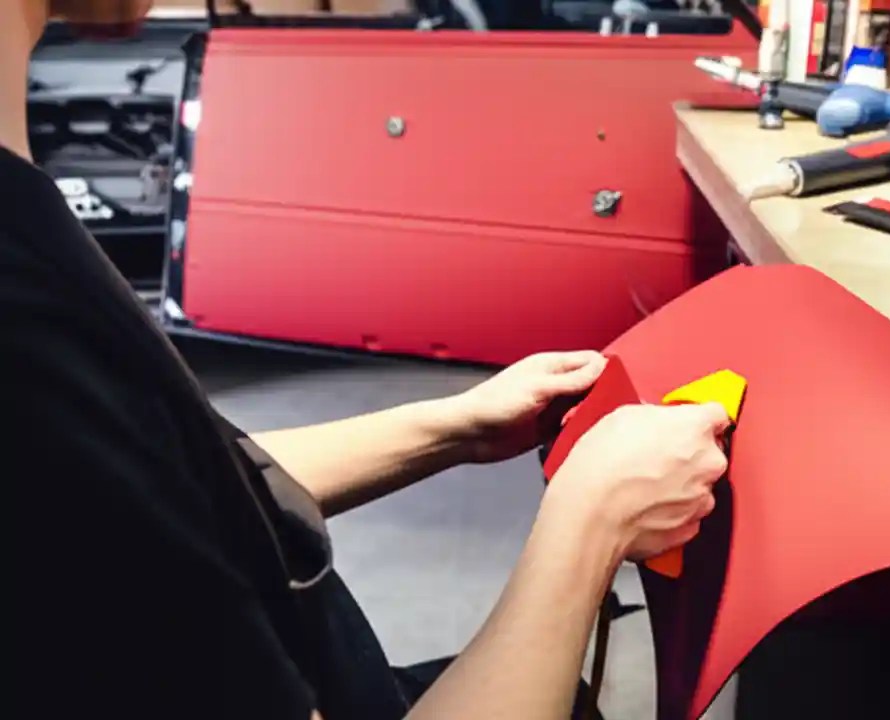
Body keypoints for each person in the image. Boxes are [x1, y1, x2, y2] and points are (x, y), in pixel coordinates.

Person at [2, 2, 730, 718]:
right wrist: (592, 523)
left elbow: (164, 490)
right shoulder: (26, 321)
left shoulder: (25, 236)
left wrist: (456, 428)